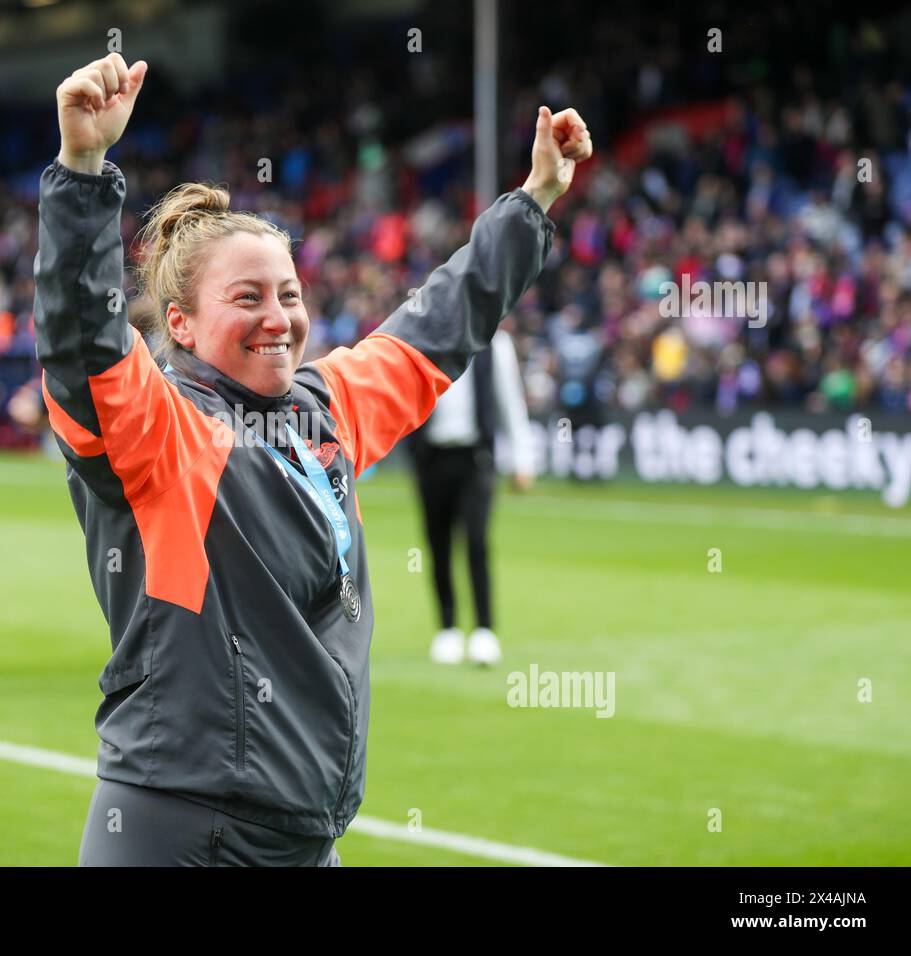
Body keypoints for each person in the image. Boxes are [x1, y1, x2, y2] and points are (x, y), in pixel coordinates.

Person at [35, 53, 591, 866]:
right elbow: (84, 346)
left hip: (307, 839)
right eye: (248, 298)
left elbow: (439, 322)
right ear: (180, 324)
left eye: (289, 294)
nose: (279, 318)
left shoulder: (323, 410)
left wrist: (535, 199)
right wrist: (83, 170)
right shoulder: (163, 428)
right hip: (182, 831)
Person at [406, 323, 535, 667]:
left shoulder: (495, 344)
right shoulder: (425, 337)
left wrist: (522, 459)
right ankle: (447, 628)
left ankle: (484, 630)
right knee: (438, 543)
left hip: (475, 458)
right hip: (432, 457)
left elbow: (510, 402)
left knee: (476, 541)